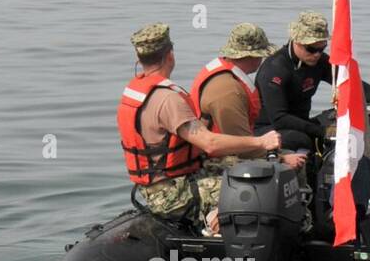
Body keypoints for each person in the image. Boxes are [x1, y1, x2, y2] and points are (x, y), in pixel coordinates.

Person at [117, 23, 280, 229]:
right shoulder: (167, 99)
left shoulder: (135, 92)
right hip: (171, 193)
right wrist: (261, 142)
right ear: (170, 56)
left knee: (241, 166)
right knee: (256, 183)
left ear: (140, 59)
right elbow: (209, 143)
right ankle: (214, 225)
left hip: (155, 185)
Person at [188, 24, 307, 171]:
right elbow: (241, 148)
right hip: (214, 160)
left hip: (226, 150)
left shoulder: (223, 73)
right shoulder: (228, 91)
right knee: (295, 163)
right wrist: (281, 158)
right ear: (252, 56)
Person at [255, 13, 336, 152]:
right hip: (270, 128)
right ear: (296, 41)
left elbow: (347, 81)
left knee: (337, 118)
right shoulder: (275, 69)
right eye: (311, 49)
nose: (317, 54)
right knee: (301, 138)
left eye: (321, 49)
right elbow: (279, 118)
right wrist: (322, 131)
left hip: (301, 122)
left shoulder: (320, 61)